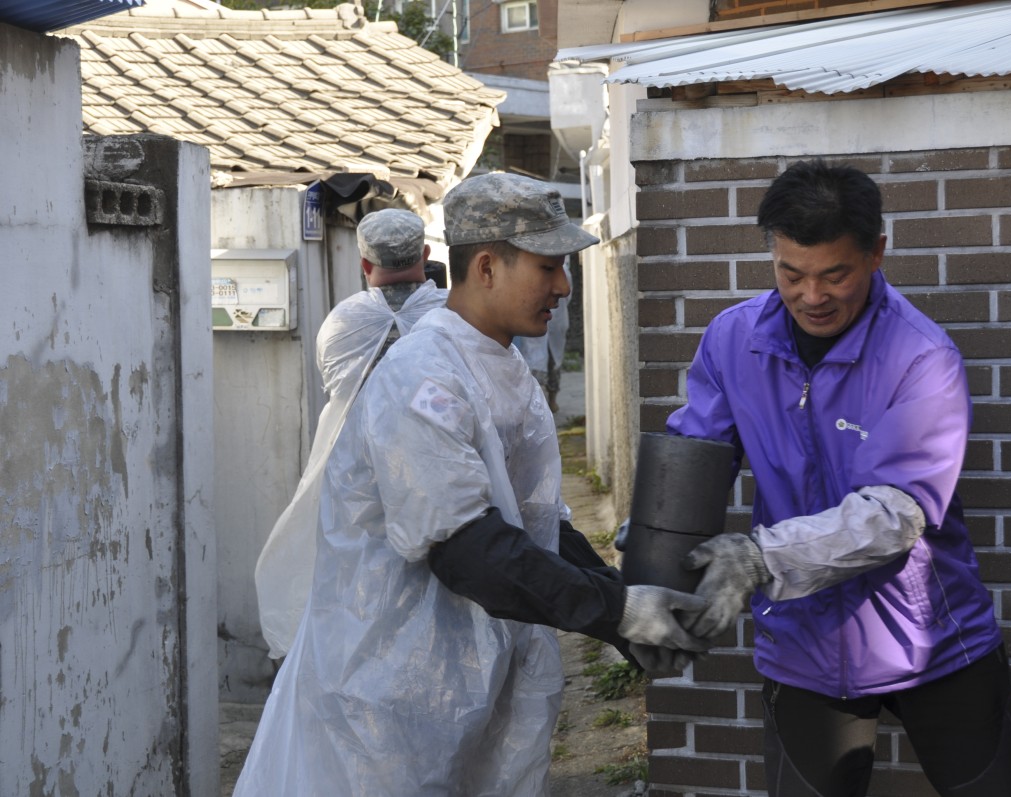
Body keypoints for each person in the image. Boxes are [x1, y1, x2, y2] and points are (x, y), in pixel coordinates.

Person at [234, 172, 709, 797]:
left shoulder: (497, 360)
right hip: (382, 703)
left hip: (457, 687)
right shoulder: (422, 379)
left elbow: (536, 524)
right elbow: (469, 549)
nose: (564, 287)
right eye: (549, 268)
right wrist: (618, 612)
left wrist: (620, 611)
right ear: (486, 266)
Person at [669, 160, 1011, 796]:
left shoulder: (920, 356)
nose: (813, 296)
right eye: (791, 274)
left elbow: (896, 513)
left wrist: (760, 558)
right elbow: (691, 461)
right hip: (800, 645)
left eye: (834, 274)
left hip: (932, 641)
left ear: (876, 255)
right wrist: (647, 562)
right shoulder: (733, 340)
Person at [253, 208, 445, 660]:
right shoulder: (453, 317)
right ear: (426, 253)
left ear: (364, 265)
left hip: (358, 486)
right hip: (440, 481)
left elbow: (337, 388)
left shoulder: (343, 323)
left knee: (364, 600)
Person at [514, 265, 571, 412]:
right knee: (535, 362)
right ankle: (540, 402)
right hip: (546, 325)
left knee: (551, 363)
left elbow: (567, 296)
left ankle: (550, 401)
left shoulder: (563, 271)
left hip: (555, 324)